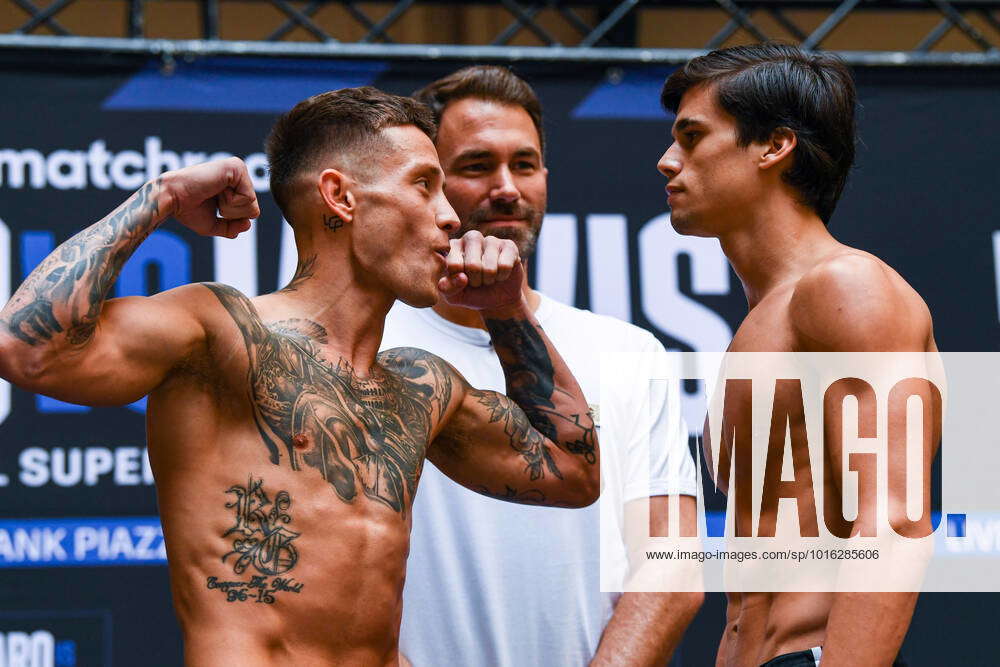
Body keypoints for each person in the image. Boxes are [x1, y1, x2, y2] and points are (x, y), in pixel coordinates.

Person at [0, 87, 601, 666]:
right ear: (339, 197)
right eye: (424, 185)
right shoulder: (221, 334)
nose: (450, 217)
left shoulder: (420, 387)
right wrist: (160, 196)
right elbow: (27, 349)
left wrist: (507, 309)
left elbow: (574, 475)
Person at [381, 66, 702, 667]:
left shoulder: (628, 351)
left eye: (524, 165)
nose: (507, 188)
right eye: (476, 166)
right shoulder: (364, 347)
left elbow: (673, 564)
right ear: (425, 186)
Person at [657, 44, 936, 666]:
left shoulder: (847, 288)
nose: (667, 160)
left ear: (773, 146)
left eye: (693, 136)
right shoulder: (768, 318)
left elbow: (892, 524)